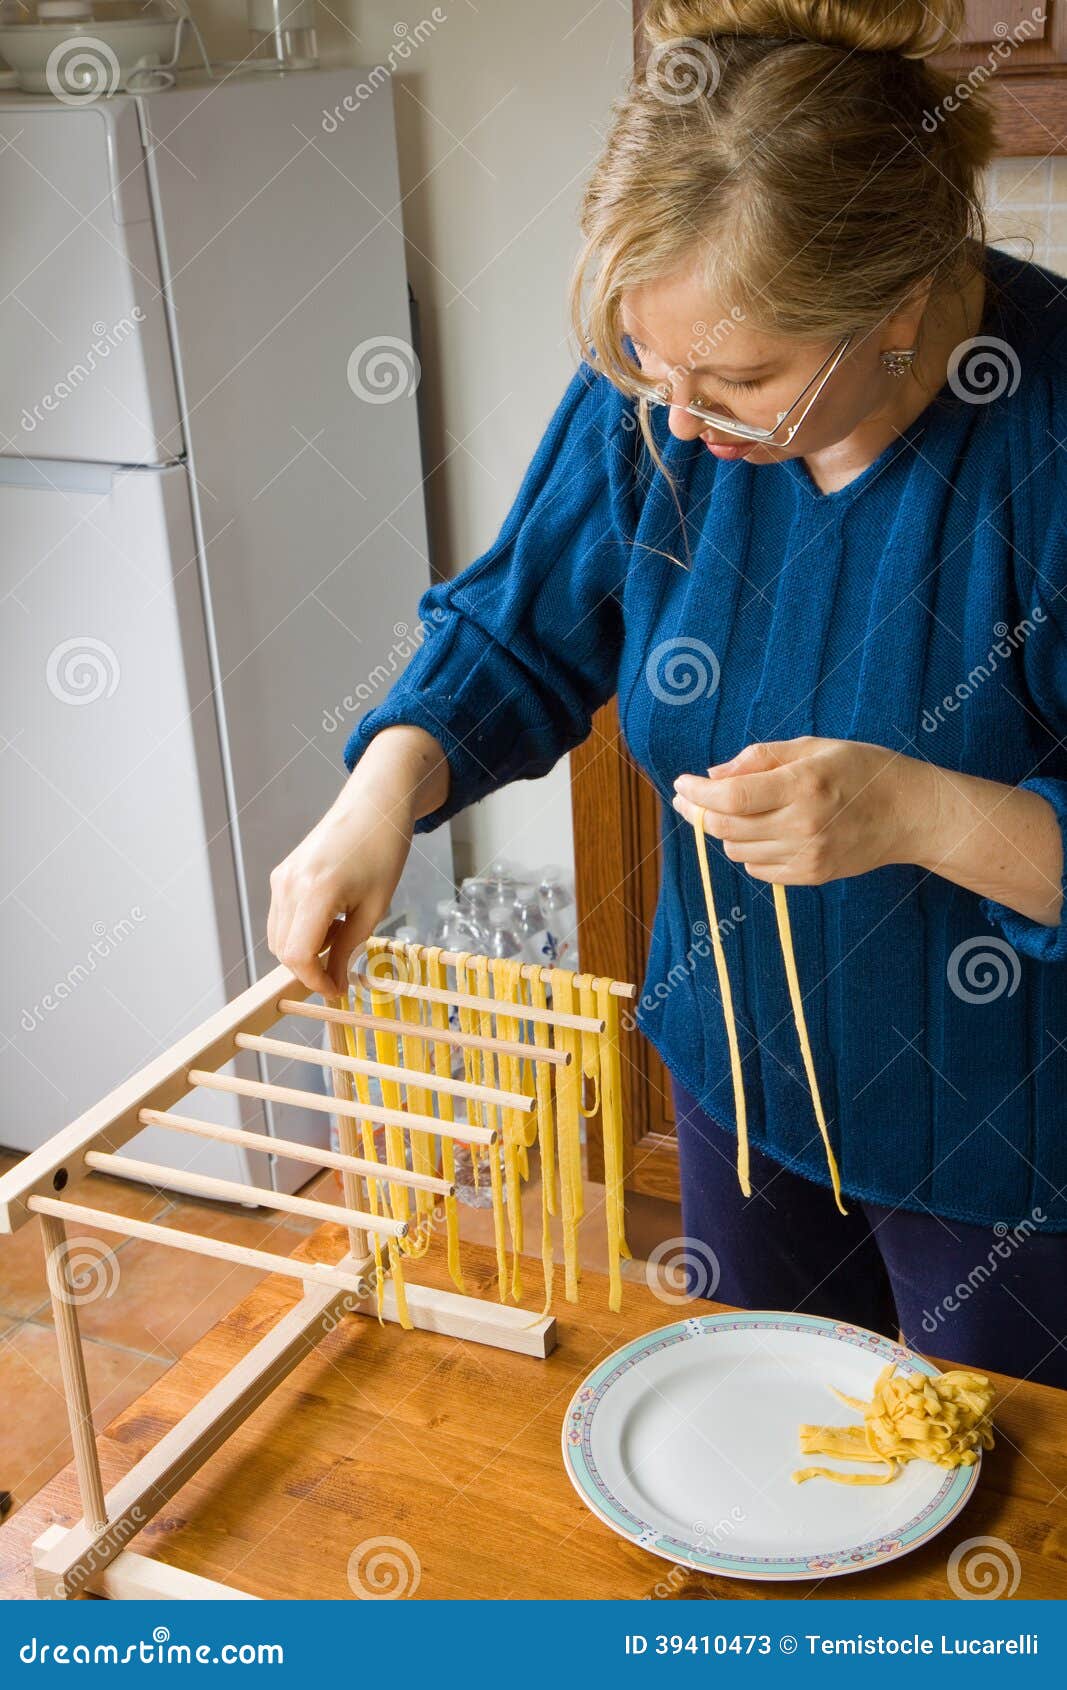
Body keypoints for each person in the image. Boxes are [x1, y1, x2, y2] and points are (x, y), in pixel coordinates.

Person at [268, 0, 1067, 1387]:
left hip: (1008, 1152)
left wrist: (924, 811)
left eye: (740, 380)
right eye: (652, 365)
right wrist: (380, 790)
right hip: (734, 1090)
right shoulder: (663, 400)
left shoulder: (1045, 435)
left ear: (901, 308)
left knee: (990, 1536)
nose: (681, 421)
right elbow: (519, 629)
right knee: (765, 1483)